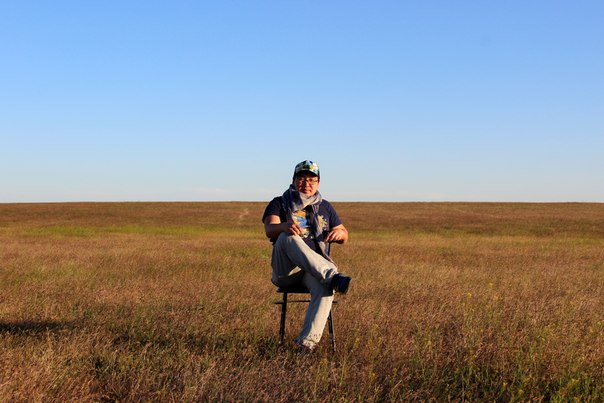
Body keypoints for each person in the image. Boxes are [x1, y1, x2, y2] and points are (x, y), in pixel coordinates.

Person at [262, 160, 352, 351]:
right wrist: (284, 226)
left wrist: (340, 233)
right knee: (287, 236)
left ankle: (305, 345)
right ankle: (332, 276)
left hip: (312, 272)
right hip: (287, 271)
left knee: (325, 288)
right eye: (302, 179)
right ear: (294, 180)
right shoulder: (280, 202)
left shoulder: (325, 206)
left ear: (318, 183)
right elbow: (270, 229)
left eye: (312, 180)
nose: (307, 184)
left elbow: (344, 234)